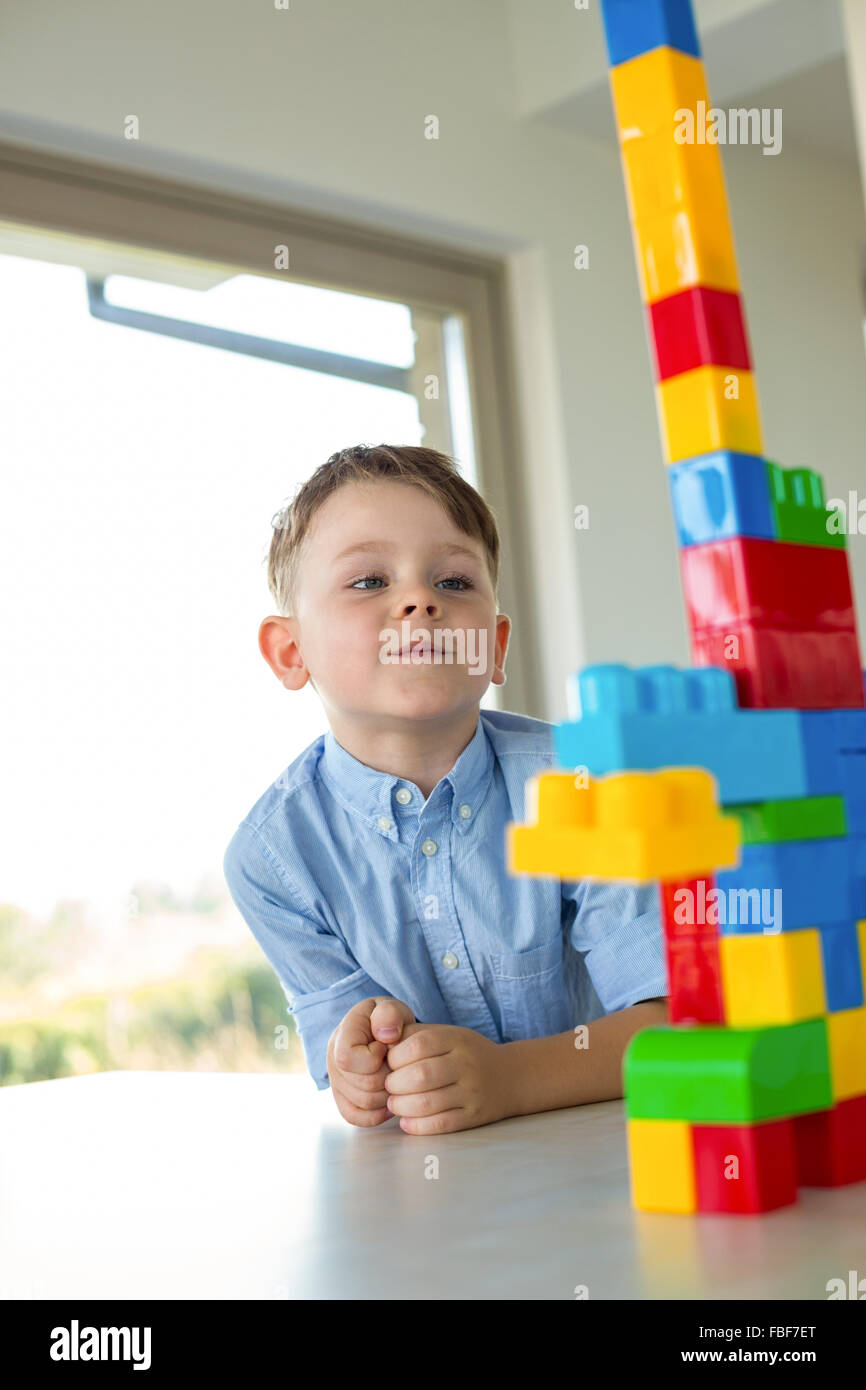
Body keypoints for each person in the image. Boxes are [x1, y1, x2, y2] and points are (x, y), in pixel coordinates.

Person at [223, 443, 666, 1133]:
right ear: (291, 651)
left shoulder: (584, 783)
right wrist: (359, 1069)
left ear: (494, 645)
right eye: (369, 581)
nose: (418, 601)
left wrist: (507, 1079)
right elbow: (358, 1070)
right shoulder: (272, 860)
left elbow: (669, 1028)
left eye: (454, 582)